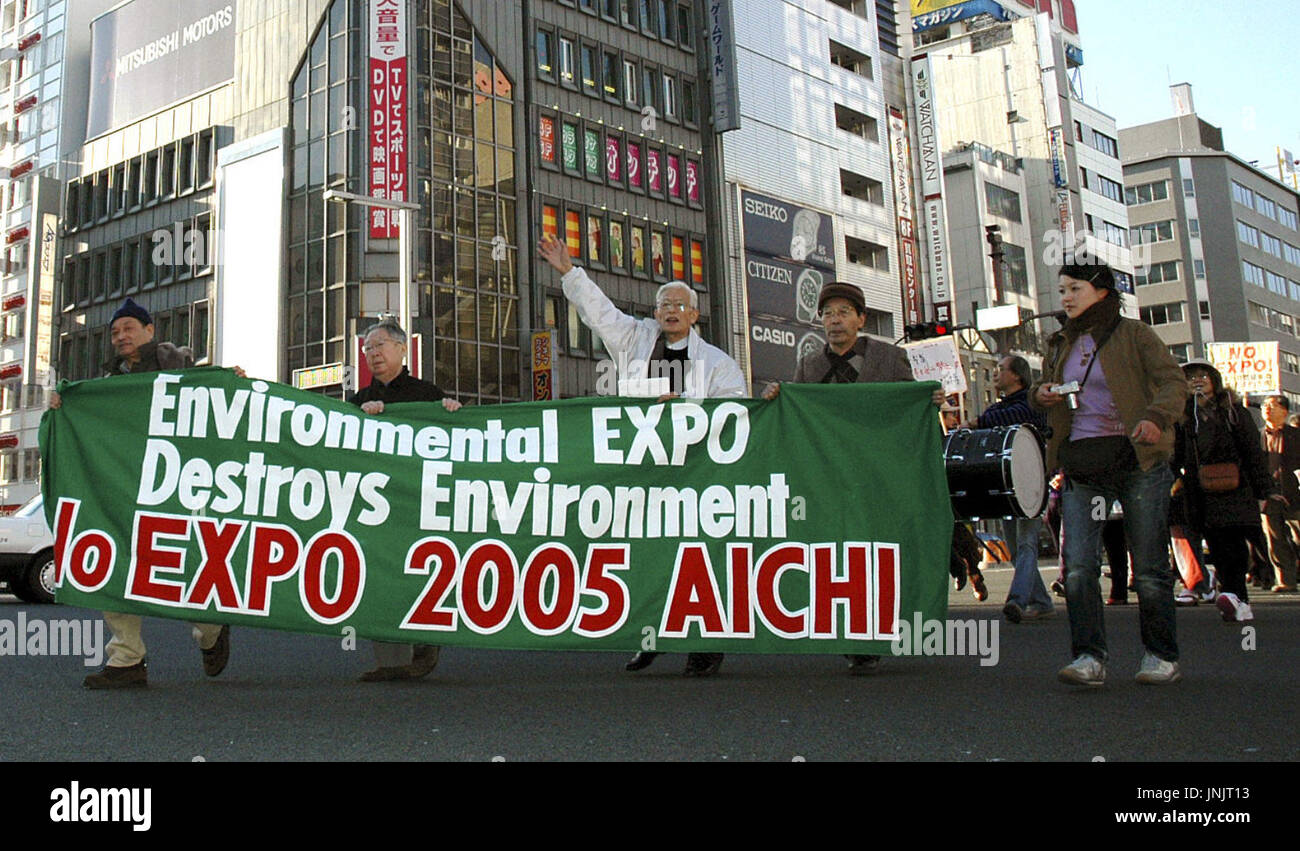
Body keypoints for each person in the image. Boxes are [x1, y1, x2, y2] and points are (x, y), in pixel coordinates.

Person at [538, 232, 742, 676]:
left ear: (694, 314)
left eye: (679, 305)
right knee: (641, 552)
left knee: (694, 557)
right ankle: (648, 634)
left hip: (693, 474)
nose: (670, 311)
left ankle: (703, 644)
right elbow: (599, 313)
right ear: (655, 313)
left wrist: (689, 413)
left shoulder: (718, 363)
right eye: (663, 304)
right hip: (639, 469)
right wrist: (569, 271)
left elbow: (735, 412)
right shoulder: (634, 339)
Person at [762, 281, 945, 674]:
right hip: (829, 480)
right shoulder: (810, 365)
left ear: (861, 319)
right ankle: (855, 633)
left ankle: (875, 630)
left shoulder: (889, 357)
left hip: (878, 476)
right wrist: (779, 396)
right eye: (828, 313)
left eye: (844, 312)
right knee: (839, 555)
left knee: (874, 551)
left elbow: (910, 405)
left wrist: (930, 400)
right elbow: (797, 416)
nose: (834, 321)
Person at [59, 298, 232, 689]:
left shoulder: (182, 367)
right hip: (126, 488)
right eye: (115, 332)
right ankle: (126, 661)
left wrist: (231, 382)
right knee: (116, 564)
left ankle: (211, 629)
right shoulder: (108, 384)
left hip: (179, 487)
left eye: (128, 329)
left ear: (150, 330)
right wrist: (63, 403)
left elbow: (219, 402)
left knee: (184, 569)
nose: (121, 337)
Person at [1031, 261, 1187, 687]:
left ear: (1102, 292)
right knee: (1078, 567)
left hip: (1138, 461)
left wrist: (1156, 416)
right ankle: (1088, 657)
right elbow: (1045, 386)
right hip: (1083, 462)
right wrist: (1041, 393)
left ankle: (1160, 655)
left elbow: (1174, 381)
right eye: (1062, 289)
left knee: (1150, 566)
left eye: (1074, 289)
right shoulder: (1062, 341)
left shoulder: (1134, 334)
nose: (1065, 297)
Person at [349, 319, 462, 682]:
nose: (373, 353)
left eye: (380, 345)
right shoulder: (357, 403)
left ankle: (425, 643)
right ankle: (391, 662)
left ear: (402, 348)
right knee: (376, 574)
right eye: (368, 348)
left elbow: (458, 438)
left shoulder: (427, 394)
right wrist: (358, 421)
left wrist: (452, 412)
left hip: (417, 503)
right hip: (375, 506)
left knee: (417, 570)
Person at [1171, 359, 1274, 623]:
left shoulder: (1233, 411)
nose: (1198, 381)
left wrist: (1265, 490)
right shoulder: (1183, 416)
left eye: (1203, 376)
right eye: (1191, 378)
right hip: (1201, 491)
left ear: (1214, 380)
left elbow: (1253, 452)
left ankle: (1236, 595)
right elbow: (1175, 456)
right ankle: (1232, 595)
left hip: (1236, 489)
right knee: (1217, 545)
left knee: (1236, 544)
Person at [975, 356, 1054, 624]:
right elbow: (992, 418)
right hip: (1008, 482)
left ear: (1017, 376)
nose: (995, 374)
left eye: (1001, 370)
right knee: (1016, 545)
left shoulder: (1031, 403)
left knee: (1026, 541)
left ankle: (1018, 599)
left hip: (1032, 481)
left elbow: (1007, 417)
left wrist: (978, 422)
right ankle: (1041, 600)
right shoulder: (1001, 407)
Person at [1260, 394, 1300, 592]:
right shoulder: (1257, 436)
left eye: (1272, 405)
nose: (1267, 408)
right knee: (1275, 540)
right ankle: (1285, 580)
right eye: (1265, 405)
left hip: (1295, 493)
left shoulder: (1296, 435)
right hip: (1269, 495)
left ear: (1284, 411)